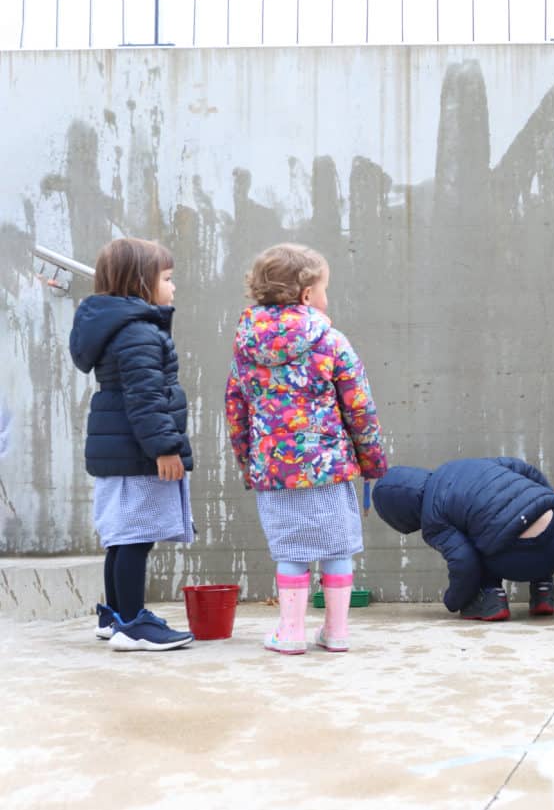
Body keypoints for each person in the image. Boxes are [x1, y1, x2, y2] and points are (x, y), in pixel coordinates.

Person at [225, 243, 388, 654]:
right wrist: (372, 461)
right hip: (327, 465)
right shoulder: (331, 341)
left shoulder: (245, 345)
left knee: (291, 550)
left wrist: (248, 462)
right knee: (337, 547)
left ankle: (291, 633)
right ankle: (336, 632)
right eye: (324, 289)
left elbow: (235, 407)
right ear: (305, 296)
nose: (326, 298)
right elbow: (360, 406)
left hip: (275, 470)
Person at [70, 238, 195, 651]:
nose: (173, 288)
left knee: (122, 537)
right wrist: (164, 447)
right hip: (136, 452)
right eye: (168, 279)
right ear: (142, 282)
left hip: (119, 450)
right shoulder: (138, 332)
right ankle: (133, 626)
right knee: (136, 537)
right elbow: (145, 397)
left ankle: (117, 616)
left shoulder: (115, 326)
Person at [371, 459, 554, 620]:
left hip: (521, 559)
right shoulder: (463, 465)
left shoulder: (432, 517)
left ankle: (491, 599)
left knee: (477, 543)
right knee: (506, 520)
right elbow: (524, 469)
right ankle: (543, 591)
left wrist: (453, 601)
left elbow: (464, 562)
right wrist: (548, 498)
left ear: (400, 515)